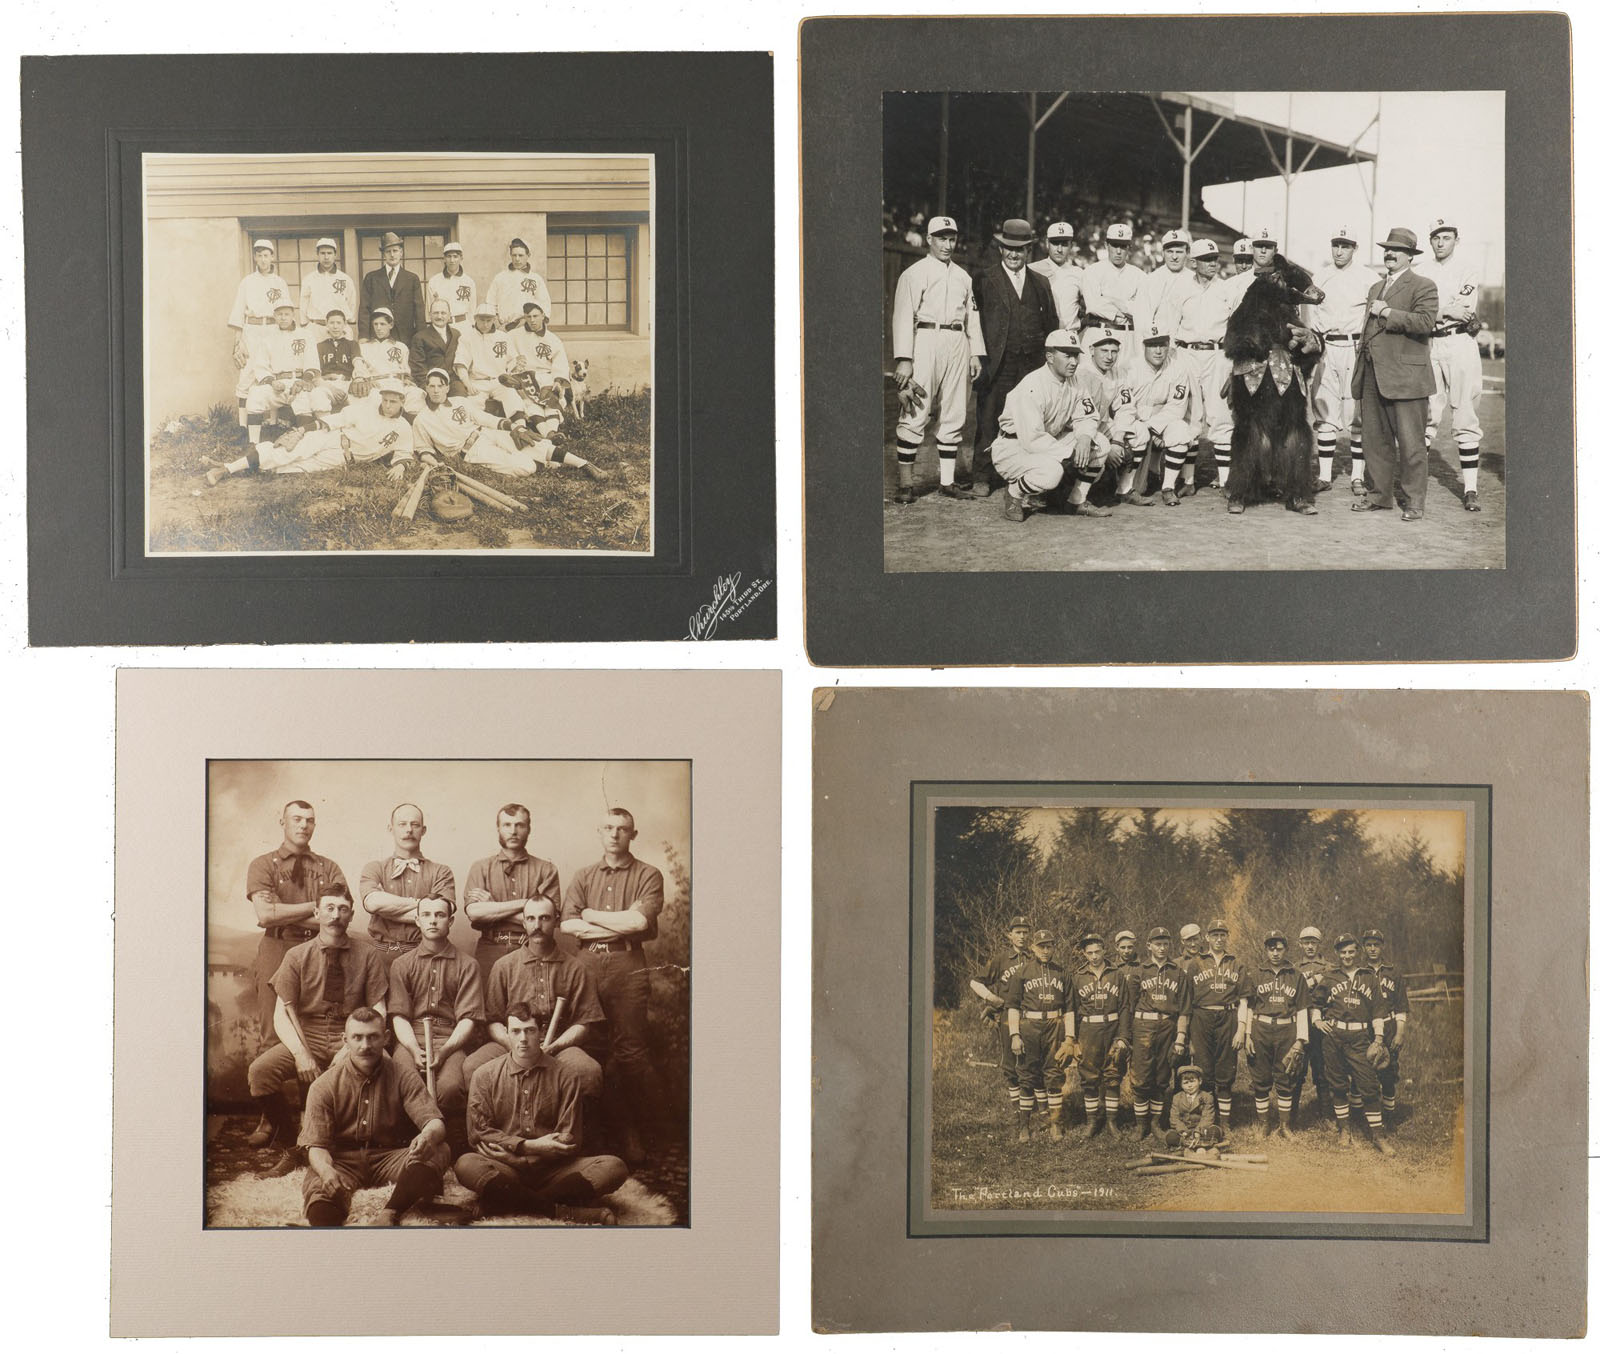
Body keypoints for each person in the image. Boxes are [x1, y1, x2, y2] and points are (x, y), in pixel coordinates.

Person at [246, 884, 389, 1173]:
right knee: (260, 1072)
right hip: (306, 1033)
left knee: (387, 1067)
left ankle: (352, 1147)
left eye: (343, 909)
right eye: (330, 908)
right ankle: (292, 1146)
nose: (336, 915)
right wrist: (301, 1055)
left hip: (350, 1034)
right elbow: (281, 1015)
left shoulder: (368, 955)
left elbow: (379, 1009)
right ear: (317, 913)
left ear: (351, 915)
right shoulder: (297, 956)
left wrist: (354, 1047)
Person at [560, 806, 669, 1165]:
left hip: (627, 965)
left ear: (633, 835)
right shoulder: (584, 875)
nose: (615, 834)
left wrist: (590, 915)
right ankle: (592, 1135)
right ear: (599, 831)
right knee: (587, 1045)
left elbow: (639, 922)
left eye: (623, 829)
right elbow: (568, 926)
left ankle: (641, 1135)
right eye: (608, 827)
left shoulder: (648, 874)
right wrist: (613, 923)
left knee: (631, 1052)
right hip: (587, 962)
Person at [455, 1004, 630, 1225]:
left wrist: (518, 1157)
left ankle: (504, 1202)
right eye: (516, 1031)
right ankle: (562, 1210)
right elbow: (479, 1134)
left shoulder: (567, 1075)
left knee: (614, 1167)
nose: (523, 1038)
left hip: (555, 1170)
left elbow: (569, 1139)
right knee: (465, 1164)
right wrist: (528, 1148)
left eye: (530, 1030)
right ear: (507, 1034)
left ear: (541, 1032)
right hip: (506, 1169)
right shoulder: (484, 1075)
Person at [242, 800, 349, 1147]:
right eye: (297, 819)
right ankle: (271, 1121)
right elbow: (266, 914)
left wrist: (291, 911)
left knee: (311, 1028)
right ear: (282, 821)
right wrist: (316, 908)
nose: (304, 825)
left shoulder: (328, 866)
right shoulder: (263, 864)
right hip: (277, 948)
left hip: (320, 950)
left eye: (310, 820)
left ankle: (311, 1120)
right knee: (273, 1032)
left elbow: (337, 914)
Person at [298, 1006, 455, 1227]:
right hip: (344, 1160)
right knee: (319, 1182)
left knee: (439, 1149)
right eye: (357, 1037)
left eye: (373, 1037)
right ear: (345, 1040)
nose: (365, 1046)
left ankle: (390, 1213)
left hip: (389, 1158)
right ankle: (329, 1234)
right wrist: (326, 1171)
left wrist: (428, 1135)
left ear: (386, 1038)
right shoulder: (323, 1086)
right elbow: (316, 1146)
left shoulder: (403, 1075)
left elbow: (434, 1121)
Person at [464, 894, 605, 1097]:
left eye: (544, 918)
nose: (537, 925)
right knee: (472, 1067)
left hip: (557, 1044)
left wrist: (554, 1046)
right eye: (531, 918)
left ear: (556, 920)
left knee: (589, 1073)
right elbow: (493, 1021)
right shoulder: (504, 966)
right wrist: (513, 1045)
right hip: (512, 1041)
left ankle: (569, 1129)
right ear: (523, 921)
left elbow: (584, 1024)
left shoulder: (576, 968)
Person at [889, 215, 984, 502]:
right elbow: (903, 316)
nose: (947, 244)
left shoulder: (963, 276)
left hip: (957, 340)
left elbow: (973, 318)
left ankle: (947, 482)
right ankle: (906, 483)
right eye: (941, 238)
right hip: (926, 339)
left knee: (955, 410)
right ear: (929, 239)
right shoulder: (914, 273)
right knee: (916, 408)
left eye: (951, 238)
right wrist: (904, 358)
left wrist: (976, 353)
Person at [1349, 226, 1438, 521]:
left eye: (1397, 250)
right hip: (1374, 374)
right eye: (1387, 248)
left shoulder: (1423, 285)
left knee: (1412, 443)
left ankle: (1414, 502)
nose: (1389, 253)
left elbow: (1425, 323)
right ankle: (1379, 496)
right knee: (1374, 441)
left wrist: (1387, 313)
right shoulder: (1376, 287)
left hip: (1407, 378)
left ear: (1410, 256)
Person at [966, 218, 1058, 497]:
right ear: (1000, 249)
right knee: (989, 416)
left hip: (1031, 364)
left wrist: (1048, 360)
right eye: (1009, 248)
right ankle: (982, 475)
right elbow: (973, 321)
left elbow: (1051, 325)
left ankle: (1022, 472)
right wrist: (979, 356)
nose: (1014, 254)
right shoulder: (984, 279)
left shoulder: (1040, 282)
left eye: (1020, 249)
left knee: (1029, 419)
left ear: (1029, 251)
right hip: (997, 363)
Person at [988, 328, 1112, 523]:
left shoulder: (1075, 381)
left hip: (1048, 441)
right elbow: (1032, 439)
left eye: (1076, 356)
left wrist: (1084, 438)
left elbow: (1087, 415)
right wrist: (1068, 454)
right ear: (1050, 357)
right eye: (1067, 355)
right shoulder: (1033, 384)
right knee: (1052, 473)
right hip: (1014, 447)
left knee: (1101, 443)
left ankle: (1076, 501)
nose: (1073, 362)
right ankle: (1014, 493)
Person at [387, 895, 484, 1135]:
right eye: (427, 915)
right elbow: (399, 1015)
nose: (433, 921)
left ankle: (447, 1141)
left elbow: (468, 1019)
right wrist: (412, 1049)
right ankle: (412, 1141)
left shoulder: (467, 964)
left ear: (450, 921)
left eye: (440, 915)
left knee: (450, 1088)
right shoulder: (401, 964)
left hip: (450, 1038)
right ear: (417, 920)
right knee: (406, 1083)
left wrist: (445, 1051)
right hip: (412, 1036)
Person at [204, 379, 416, 484]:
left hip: (341, 459)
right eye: (385, 400)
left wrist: (401, 466)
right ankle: (225, 470)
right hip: (332, 438)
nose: (388, 405)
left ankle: (234, 466)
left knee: (291, 468)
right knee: (285, 452)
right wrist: (303, 430)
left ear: (402, 401)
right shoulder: (366, 409)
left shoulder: (404, 428)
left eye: (393, 402)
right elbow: (334, 420)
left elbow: (405, 452)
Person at [411, 369, 602, 478]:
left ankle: (584, 464)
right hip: (470, 451)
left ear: (446, 387)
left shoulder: (459, 401)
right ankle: (543, 463)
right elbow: (423, 449)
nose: (436, 390)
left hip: (486, 432)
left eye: (440, 385)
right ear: (425, 388)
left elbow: (484, 418)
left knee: (531, 441)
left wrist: (514, 426)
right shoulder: (422, 419)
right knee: (527, 467)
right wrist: (435, 464)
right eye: (431, 386)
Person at [1415, 216, 1486, 510]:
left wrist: (1437, 310)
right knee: (1427, 413)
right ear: (1429, 240)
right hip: (1429, 343)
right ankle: (1416, 482)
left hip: (1459, 343)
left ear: (1457, 239)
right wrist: (1444, 310)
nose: (1440, 242)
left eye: (1446, 237)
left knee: (1465, 413)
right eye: (1435, 237)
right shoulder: (1421, 271)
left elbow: (1464, 312)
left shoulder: (1467, 268)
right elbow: (1421, 311)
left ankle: (1470, 489)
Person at [464, 803, 563, 988]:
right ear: (498, 829)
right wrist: (528, 903)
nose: (513, 831)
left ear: (529, 829)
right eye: (507, 825)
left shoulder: (546, 869)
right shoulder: (481, 868)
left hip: (533, 949)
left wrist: (493, 907)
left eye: (520, 825)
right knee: (490, 1011)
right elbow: (475, 913)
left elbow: (550, 920)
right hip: (490, 950)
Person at [1315, 934, 1395, 1154]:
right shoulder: (1330, 976)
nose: (1347, 956)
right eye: (1343, 952)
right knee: (1338, 1084)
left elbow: (1379, 1010)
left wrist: (1378, 1039)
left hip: (1360, 1036)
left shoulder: (1368, 977)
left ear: (1357, 952)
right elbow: (1315, 1003)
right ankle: (1344, 1130)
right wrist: (1317, 1020)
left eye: (1351, 951)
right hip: (1334, 1035)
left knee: (1368, 1085)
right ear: (1337, 954)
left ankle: (1378, 1136)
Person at [1308, 227, 1372, 493]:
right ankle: (1324, 476)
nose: (1339, 250)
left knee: (1358, 413)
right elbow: (1311, 316)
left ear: (1354, 248)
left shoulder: (1369, 277)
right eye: (1336, 244)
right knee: (1325, 412)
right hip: (1326, 347)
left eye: (1345, 245)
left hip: (1355, 346)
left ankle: (1357, 476)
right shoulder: (1320, 276)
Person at [358, 802, 456, 970]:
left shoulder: (441, 871)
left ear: (423, 830)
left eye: (415, 824)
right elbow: (373, 903)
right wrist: (424, 905)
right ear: (391, 829)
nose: (409, 830)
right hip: (380, 958)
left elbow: (442, 916)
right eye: (402, 824)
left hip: (425, 956)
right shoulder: (375, 868)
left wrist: (387, 909)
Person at [1173, 239, 1237, 493]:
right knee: (1189, 416)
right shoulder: (1180, 288)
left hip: (1217, 354)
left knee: (1220, 415)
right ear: (1193, 262)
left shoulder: (1226, 289)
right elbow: (1170, 323)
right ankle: (1188, 480)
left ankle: (1225, 481)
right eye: (1206, 259)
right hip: (1186, 353)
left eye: (1215, 258)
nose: (1213, 263)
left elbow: (1234, 327)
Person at [1121, 926, 1193, 1139]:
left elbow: (1184, 1009)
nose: (1161, 948)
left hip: (1168, 1027)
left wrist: (1180, 1037)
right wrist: (1129, 1035)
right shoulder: (1139, 971)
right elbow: (1129, 1006)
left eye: (1165, 944)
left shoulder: (1178, 972)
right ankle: (1141, 1125)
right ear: (1149, 946)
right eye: (1157, 944)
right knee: (1142, 1078)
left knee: (1162, 1077)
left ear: (1170, 946)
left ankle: (1155, 1124)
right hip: (1143, 1026)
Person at [1241, 930, 1310, 1139]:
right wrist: (1247, 1035)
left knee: (1286, 1077)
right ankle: (1264, 1125)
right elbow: (1249, 1007)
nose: (1275, 953)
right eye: (1271, 948)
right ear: (1266, 950)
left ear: (1286, 950)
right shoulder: (1256, 973)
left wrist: (1300, 1040)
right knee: (1260, 1078)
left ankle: (1284, 1126)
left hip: (1286, 1029)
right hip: (1260, 1028)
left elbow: (1302, 1010)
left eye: (1279, 948)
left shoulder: (1296, 975)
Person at [1002, 928, 1070, 1141]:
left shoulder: (1062, 972)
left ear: (1053, 948)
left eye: (1049, 946)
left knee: (1054, 1073)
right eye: (1041, 946)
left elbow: (1070, 1009)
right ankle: (1024, 1126)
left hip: (1054, 1025)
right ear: (1032, 948)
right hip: (1029, 1025)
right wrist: (1014, 1034)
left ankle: (1055, 1124)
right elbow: (1012, 1006)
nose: (1045, 950)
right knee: (1027, 1074)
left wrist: (1070, 1037)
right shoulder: (1022, 972)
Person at [1064, 933, 1130, 1137]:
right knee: (1089, 1077)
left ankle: (1112, 1122)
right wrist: (1073, 1039)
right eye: (1089, 953)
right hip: (1088, 1031)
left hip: (1111, 1028)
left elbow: (1125, 1008)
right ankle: (1092, 1122)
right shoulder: (1078, 976)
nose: (1094, 956)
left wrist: (1122, 1037)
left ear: (1104, 950)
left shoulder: (1116, 974)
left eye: (1097, 951)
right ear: (1084, 954)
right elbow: (1072, 1009)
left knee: (1113, 1074)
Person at [969, 914, 1031, 1115]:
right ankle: (1017, 1108)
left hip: (1032, 1016)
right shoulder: (1002, 959)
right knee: (1010, 1063)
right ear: (1010, 935)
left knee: (1032, 1061)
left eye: (1025, 932)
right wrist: (991, 998)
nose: (1022, 936)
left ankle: (1034, 1107)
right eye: (1017, 933)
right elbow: (975, 982)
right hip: (1006, 1015)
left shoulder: (1034, 957)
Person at [1185, 920, 1244, 1129]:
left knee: (1225, 1069)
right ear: (1207, 938)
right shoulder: (1196, 964)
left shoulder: (1235, 963)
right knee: (1204, 1069)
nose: (1219, 939)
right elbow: (1188, 1001)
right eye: (1214, 935)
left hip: (1228, 1017)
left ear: (1227, 937)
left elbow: (1244, 999)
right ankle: (1208, 1120)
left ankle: (1225, 1123)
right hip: (1202, 1017)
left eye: (1222, 935)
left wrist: (1241, 1030)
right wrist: (1189, 1035)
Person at [227, 240, 290, 427]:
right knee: (248, 373)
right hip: (252, 330)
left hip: (273, 329)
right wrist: (238, 342)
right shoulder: (248, 282)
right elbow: (238, 310)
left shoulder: (280, 282)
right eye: (259, 255)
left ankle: (273, 422)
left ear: (272, 257)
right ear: (255, 257)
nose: (263, 259)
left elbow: (286, 311)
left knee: (274, 370)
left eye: (266, 255)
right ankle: (243, 426)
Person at [240, 301, 320, 443]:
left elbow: (312, 362)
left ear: (293, 315)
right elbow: (261, 365)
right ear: (274, 316)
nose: (283, 318)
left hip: (299, 382)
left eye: (286, 314)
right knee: (255, 394)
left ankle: (304, 442)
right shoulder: (268, 338)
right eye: (279, 314)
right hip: (277, 384)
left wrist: (303, 381)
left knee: (304, 402)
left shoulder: (306, 335)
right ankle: (253, 444)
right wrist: (272, 381)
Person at [1361, 927, 1409, 1124]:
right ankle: (1363, 1116)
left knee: (1389, 1071)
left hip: (1389, 1026)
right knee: (1363, 1070)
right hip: (1365, 1027)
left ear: (1383, 947)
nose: (1373, 949)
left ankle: (1389, 1116)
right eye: (1369, 945)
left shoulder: (1393, 973)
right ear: (1363, 948)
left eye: (1376, 945)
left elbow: (1401, 1007)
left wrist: (1399, 1034)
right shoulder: (1358, 972)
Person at [1080, 222, 1146, 355]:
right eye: (1114, 245)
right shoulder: (1092, 271)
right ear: (1106, 245)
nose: (1118, 251)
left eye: (1123, 246)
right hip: (1100, 333)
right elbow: (1093, 305)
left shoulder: (1140, 275)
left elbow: (1142, 309)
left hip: (1129, 337)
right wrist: (1125, 309)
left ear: (1129, 248)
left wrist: (1111, 300)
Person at [355, 308, 425, 416]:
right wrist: (366, 380)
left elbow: (406, 369)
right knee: (374, 398)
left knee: (416, 393)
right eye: (375, 324)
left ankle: (407, 426)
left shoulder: (401, 346)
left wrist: (406, 379)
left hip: (397, 383)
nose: (378, 328)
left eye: (382, 324)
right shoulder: (364, 347)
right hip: (376, 385)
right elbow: (360, 369)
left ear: (390, 325)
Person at [1294, 926, 1332, 1123]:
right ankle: (1292, 1117)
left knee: (1322, 1070)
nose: (1309, 946)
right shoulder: (1293, 968)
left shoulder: (1330, 967)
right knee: (1297, 1068)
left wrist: (1317, 978)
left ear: (1319, 944)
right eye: (1306, 942)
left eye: (1313, 942)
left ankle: (1326, 1115)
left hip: (1321, 1024)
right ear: (1300, 944)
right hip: (1300, 1024)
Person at [359, 231, 426, 341]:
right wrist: (363, 335)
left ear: (401, 252)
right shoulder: (371, 278)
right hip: (378, 335)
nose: (392, 254)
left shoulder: (412, 279)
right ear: (383, 254)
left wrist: (422, 337)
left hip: (406, 336)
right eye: (388, 251)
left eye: (395, 251)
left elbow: (419, 311)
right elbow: (364, 309)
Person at [298, 237, 357, 351]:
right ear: (317, 255)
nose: (326, 257)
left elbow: (351, 303)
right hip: (316, 328)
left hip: (339, 329)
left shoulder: (344, 279)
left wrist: (346, 323)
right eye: (322, 253)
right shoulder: (309, 279)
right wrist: (305, 326)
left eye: (329, 253)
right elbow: (303, 304)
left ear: (335, 255)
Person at [1028, 220, 1085, 333]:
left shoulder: (1078, 273)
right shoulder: (1032, 269)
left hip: (1070, 337)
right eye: (1055, 243)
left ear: (1071, 246)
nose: (1059, 249)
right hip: (1042, 337)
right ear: (1047, 243)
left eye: (1064, 244)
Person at [486, 237, 554, 329]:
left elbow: (544, 304)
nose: (517, 259)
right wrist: (497, 323)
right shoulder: (500, 277)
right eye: (514, 255)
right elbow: (490, 302)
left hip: (526, 326)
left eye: (521, 255)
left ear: (528, 255)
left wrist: (526, 321)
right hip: (503, 327)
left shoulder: (535, 279)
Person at [1143, 228, 1197, 339]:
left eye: (1179, 252)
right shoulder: (1151, 279)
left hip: (1184, 347)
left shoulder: (1195, 280)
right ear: (1163, 253)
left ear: (1187, 253)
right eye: (1170, 251)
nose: (1174, 257)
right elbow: (1144, 320)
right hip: (1158, 343)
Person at [409, 296, 465, 393]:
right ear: (430, 315)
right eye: (436, 313)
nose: (439, 316)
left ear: (449, 315)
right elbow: (418, 368)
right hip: (431, 383)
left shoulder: (456, 334)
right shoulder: (419, 337)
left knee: (461, 402)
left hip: (453, 382)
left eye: (443, 313)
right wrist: (427, 387)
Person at [1165, 1065, 1222, 1149]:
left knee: (1215, 1131)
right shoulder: (1177, 1097)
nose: (1189, 1085)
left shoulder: (1207, 1097)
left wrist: (1198, 1131)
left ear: (1200, 1081)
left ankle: (1197, 1142)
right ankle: (1187, 1142)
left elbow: (1208, 1117)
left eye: (1192, 1081)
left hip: (1202, 1129)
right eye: (1185, 1083)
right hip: (1184, 1131)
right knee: (1170, 1136)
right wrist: (1183, 1131)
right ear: (1181, 1084)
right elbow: (1174, 1118)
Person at [427, 241, 477, 328]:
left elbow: (472, 308)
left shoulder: (469, 282)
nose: (452, 260)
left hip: (463, 325)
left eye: (455, 256)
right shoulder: (434, 281)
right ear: (444, 259)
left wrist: (472, 326)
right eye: (449, 256)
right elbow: (429, 308)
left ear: (461, 258)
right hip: (441, 325)